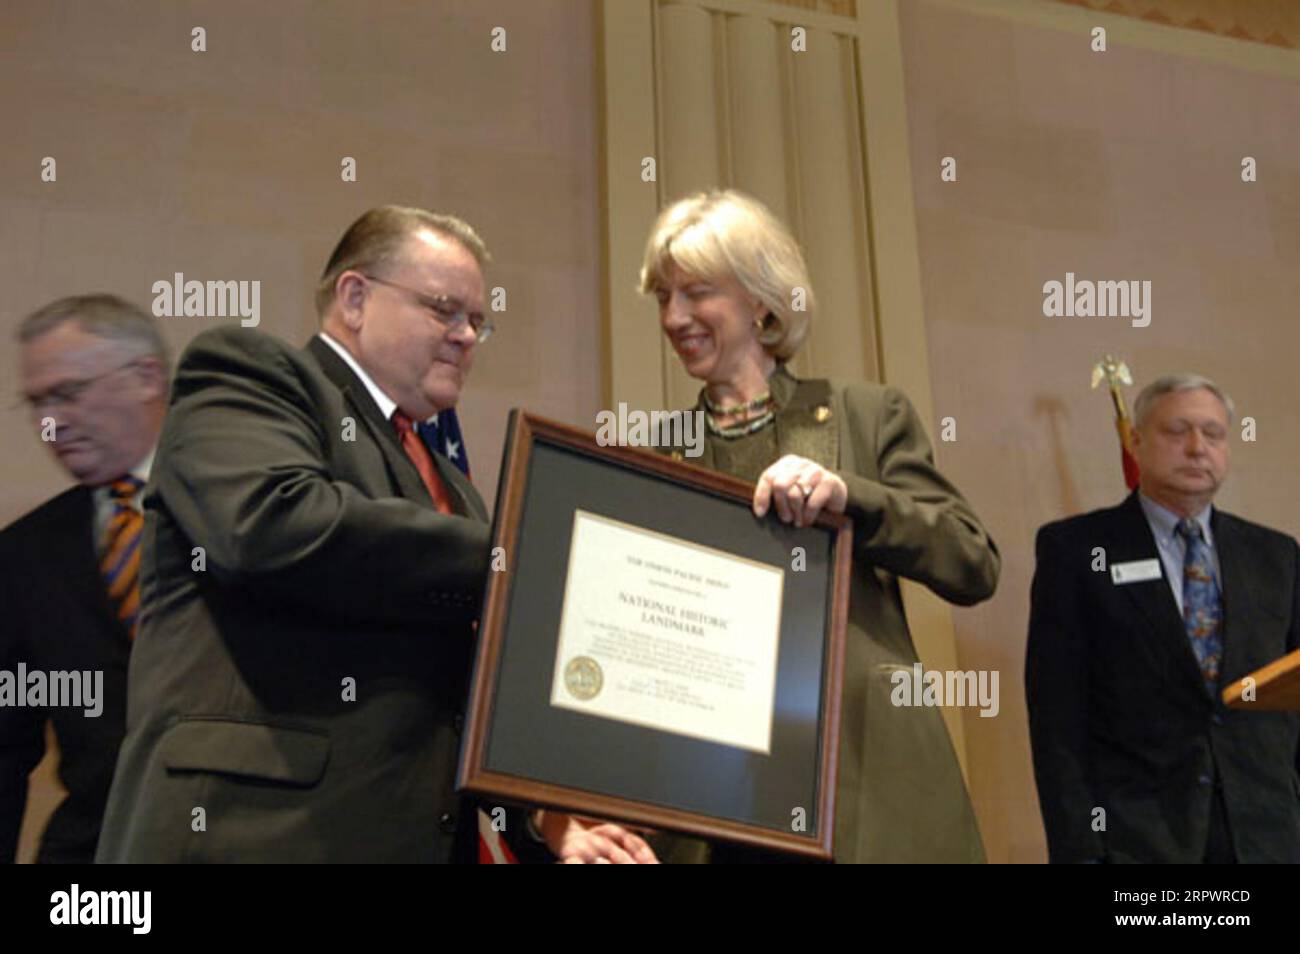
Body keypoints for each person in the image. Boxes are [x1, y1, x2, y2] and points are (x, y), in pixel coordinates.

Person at [96, 205, 655, 863]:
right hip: (251, 833)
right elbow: (272, 525)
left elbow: (466, 700)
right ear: (355, 297)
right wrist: (527, 555)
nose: (466, 336)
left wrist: (544, 818)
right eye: (445, 310)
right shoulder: (250, 372)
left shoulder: (458, 488)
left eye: (478, 320)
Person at [638, 190, 999, 862]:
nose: (674, 316)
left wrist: (851, 497)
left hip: (865, 783)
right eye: (663, 296)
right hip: (717, 798)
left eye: (697, 292)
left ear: (762, 301)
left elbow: (972, 562)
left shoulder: (865, 414)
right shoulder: (658, 456)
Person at [1027, 374, 1300, 863]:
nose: (1197, 448)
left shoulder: (1276, 556)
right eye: (1177, 431)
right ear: (1135, 440)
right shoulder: (1077, 550)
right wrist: (1080, 850)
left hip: (1267, 834)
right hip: (1137, 839)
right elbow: (1057, 721)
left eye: (1213, 434)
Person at [0, 294, 168, 863]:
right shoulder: (23, 554)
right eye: (37, 402)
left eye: (68, 394)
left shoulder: (256, 509)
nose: (51, 423)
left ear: (146, 377)